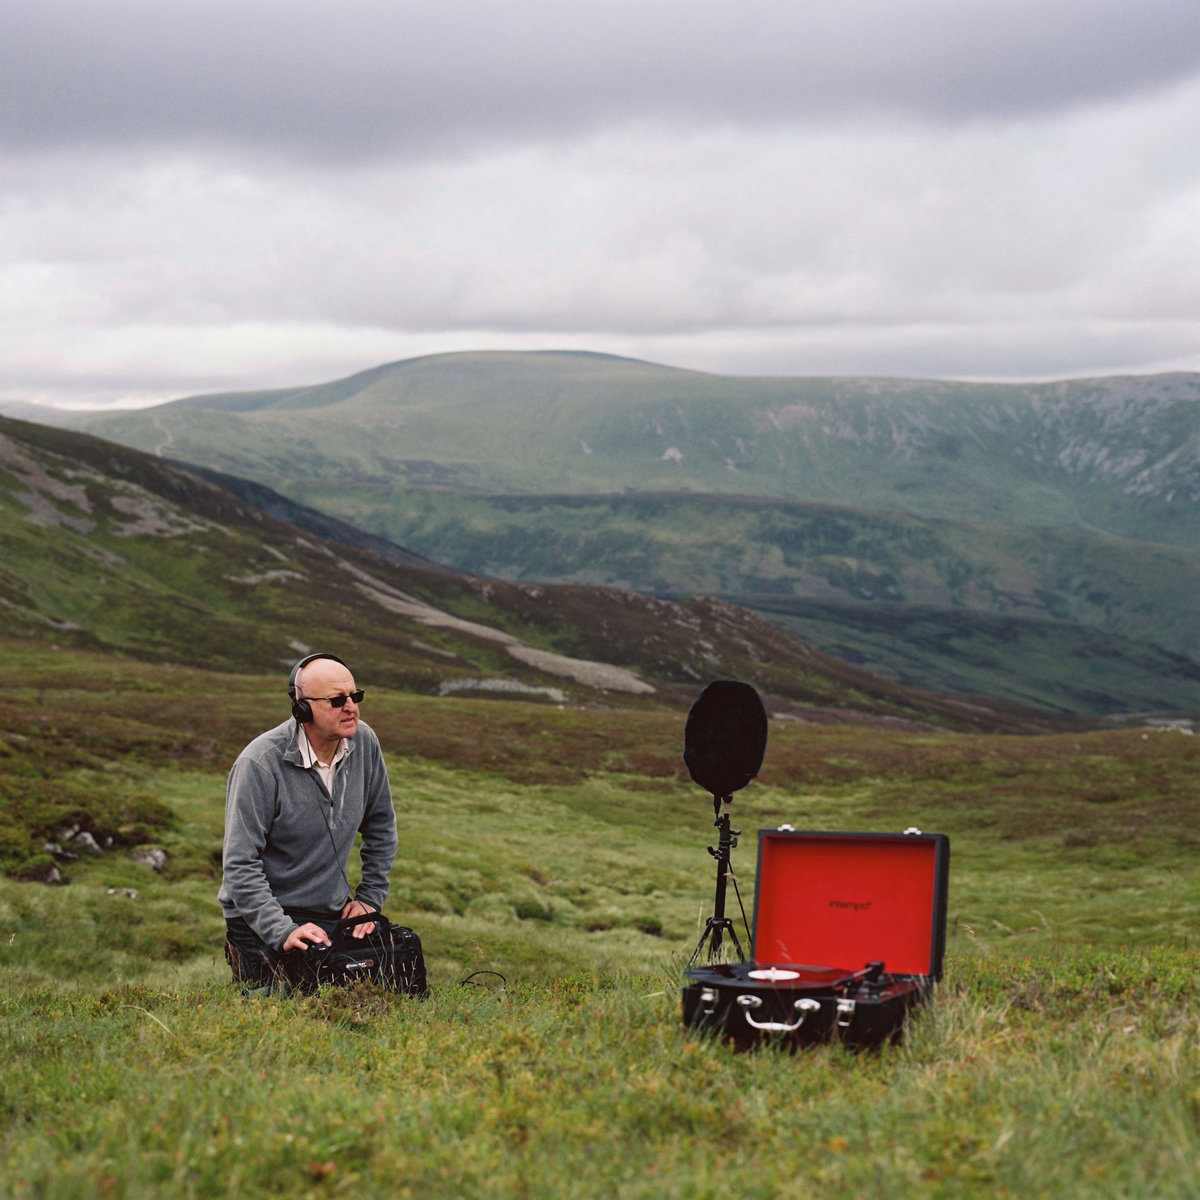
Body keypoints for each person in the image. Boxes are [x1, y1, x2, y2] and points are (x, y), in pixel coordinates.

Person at [219, 652, 399, 992]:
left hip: (330, 914)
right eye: (337, 700)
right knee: (280, 1010)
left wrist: (370, 899)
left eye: (355, 696)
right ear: (302, 708)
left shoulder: (364, 742)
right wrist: (282, 931)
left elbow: (382, 828)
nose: (351, 708)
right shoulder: (259, 763)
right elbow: (240, 863)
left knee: (372, 997)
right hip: (259, 920)